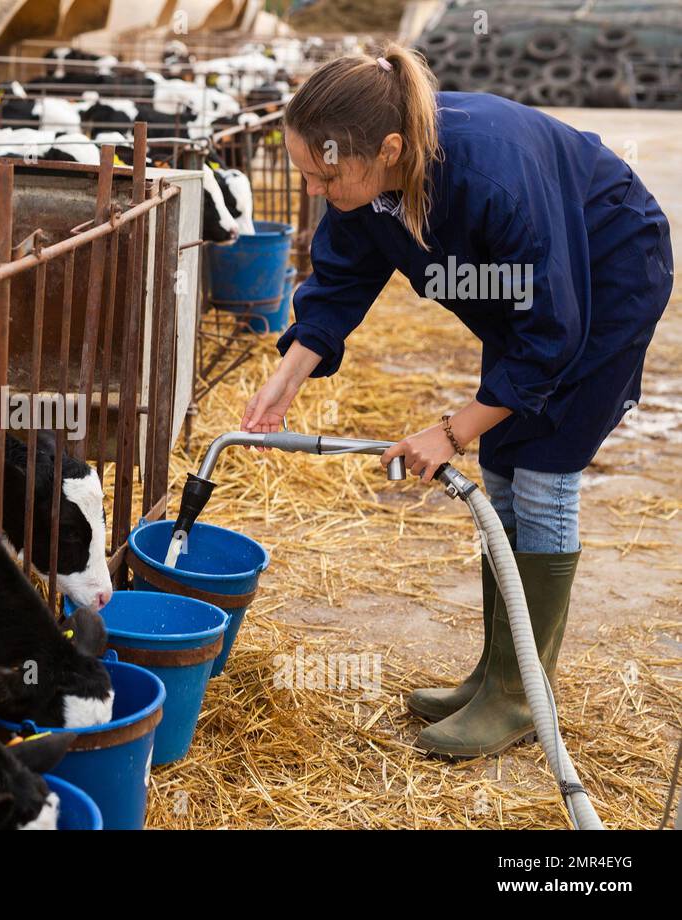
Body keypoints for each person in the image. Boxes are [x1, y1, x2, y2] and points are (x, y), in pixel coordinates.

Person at [241, 44, 673, 757]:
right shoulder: (369, 175)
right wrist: (290, 370)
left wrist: (452, 429)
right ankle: (496, 673)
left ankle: (519, 697)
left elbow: (552, 329)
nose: (315, 187)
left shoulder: (489, 174)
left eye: (325, 174)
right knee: (505, 464)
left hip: (606, 273)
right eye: (305, 172)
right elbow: (344, 272)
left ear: (388, 149)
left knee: (543, 470)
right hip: (533, 299)